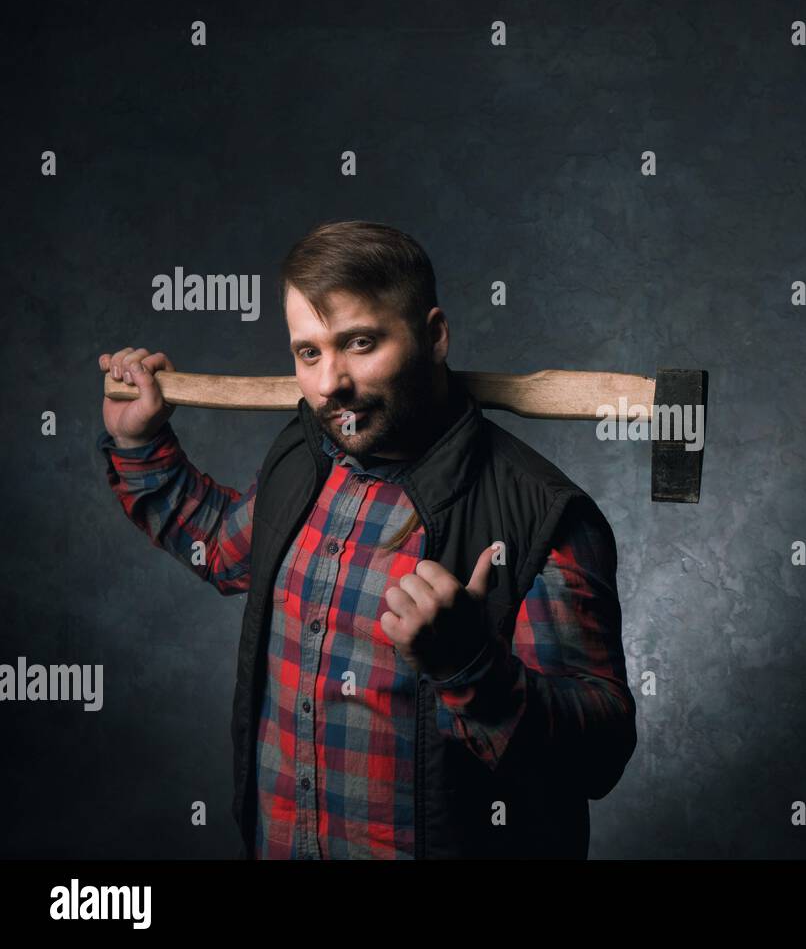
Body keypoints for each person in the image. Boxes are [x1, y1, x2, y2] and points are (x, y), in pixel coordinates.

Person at [95, 220, 637, 859]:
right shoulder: (305, 455)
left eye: (359, 343)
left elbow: (596, 759)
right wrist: (140, 443)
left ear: (434, 335)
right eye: (309, 353)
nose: (331, 385)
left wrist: (474, 670)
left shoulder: (537, 518)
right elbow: (220, 546)